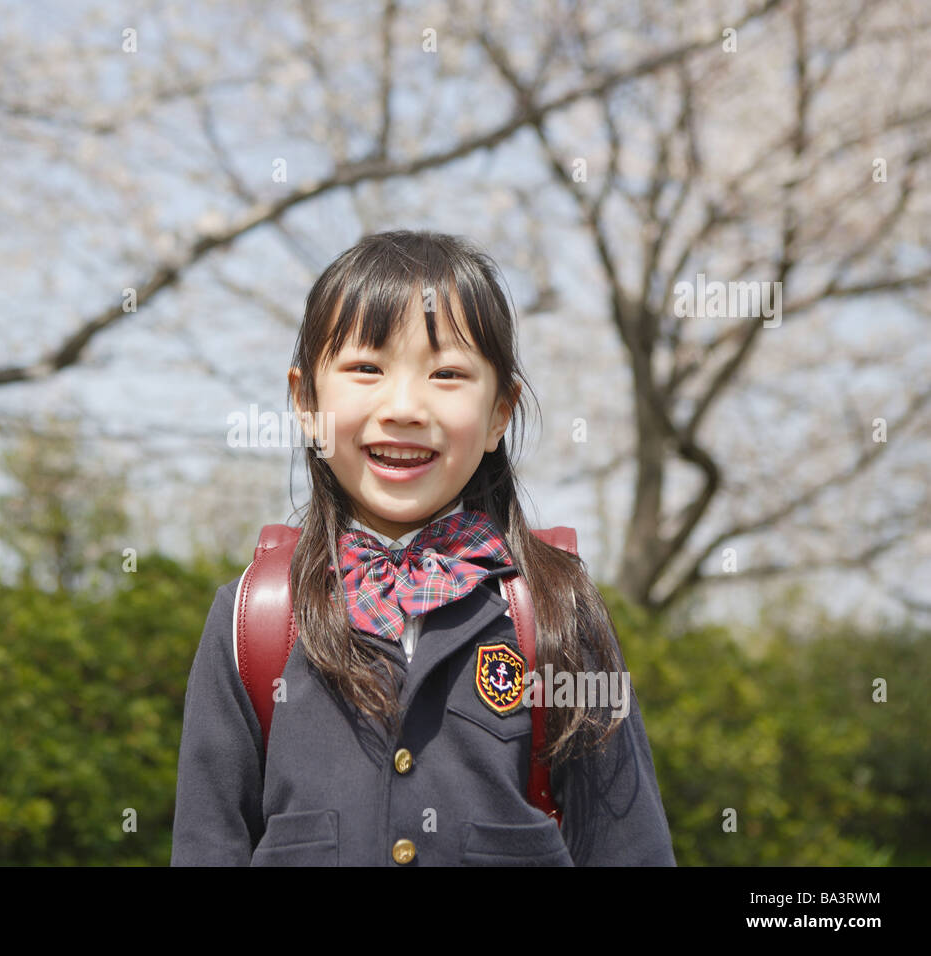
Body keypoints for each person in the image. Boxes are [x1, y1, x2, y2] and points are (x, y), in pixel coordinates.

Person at [171, 230, 676, 866]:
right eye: (365, 369)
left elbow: (631, 851)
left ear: (500, 412)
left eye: (447, 374)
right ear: (305, 400)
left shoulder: (556, 612)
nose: (404, 407)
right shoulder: (255, 621)